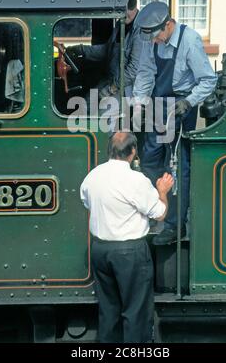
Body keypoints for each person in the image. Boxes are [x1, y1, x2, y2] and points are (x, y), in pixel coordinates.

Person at [133, 1, 217, 245]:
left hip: (181, 107)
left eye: (157, 36)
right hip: (158, 105)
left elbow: (208, 80)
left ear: (168, 25)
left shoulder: (189, 40)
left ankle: (174, 225)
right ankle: (152, 211)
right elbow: (146, 72)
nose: (155, 42)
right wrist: (138, 104)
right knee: (148, 159)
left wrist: (189, 102)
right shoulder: (152, 39)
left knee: (177, 166)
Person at [80, 131, 173, 343]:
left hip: (100, 250)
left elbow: (87, 203)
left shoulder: (92, 176)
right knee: (136, 313)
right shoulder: (136, 180)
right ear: (132, 152)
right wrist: (163, 191)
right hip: (129, 253)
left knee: (108, 311)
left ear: (109, 150)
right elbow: (159, 213)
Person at [67, 0, 143, 98]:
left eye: (126, 12)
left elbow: (133, 70)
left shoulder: (140, 31)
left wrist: (112, 88)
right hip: (110, 79)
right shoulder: (120, 24)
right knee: (87, 102)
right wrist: (81, 49)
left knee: (103, 112)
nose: (123, 15)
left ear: (134, 6)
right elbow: (107, 50)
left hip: (126, 88)